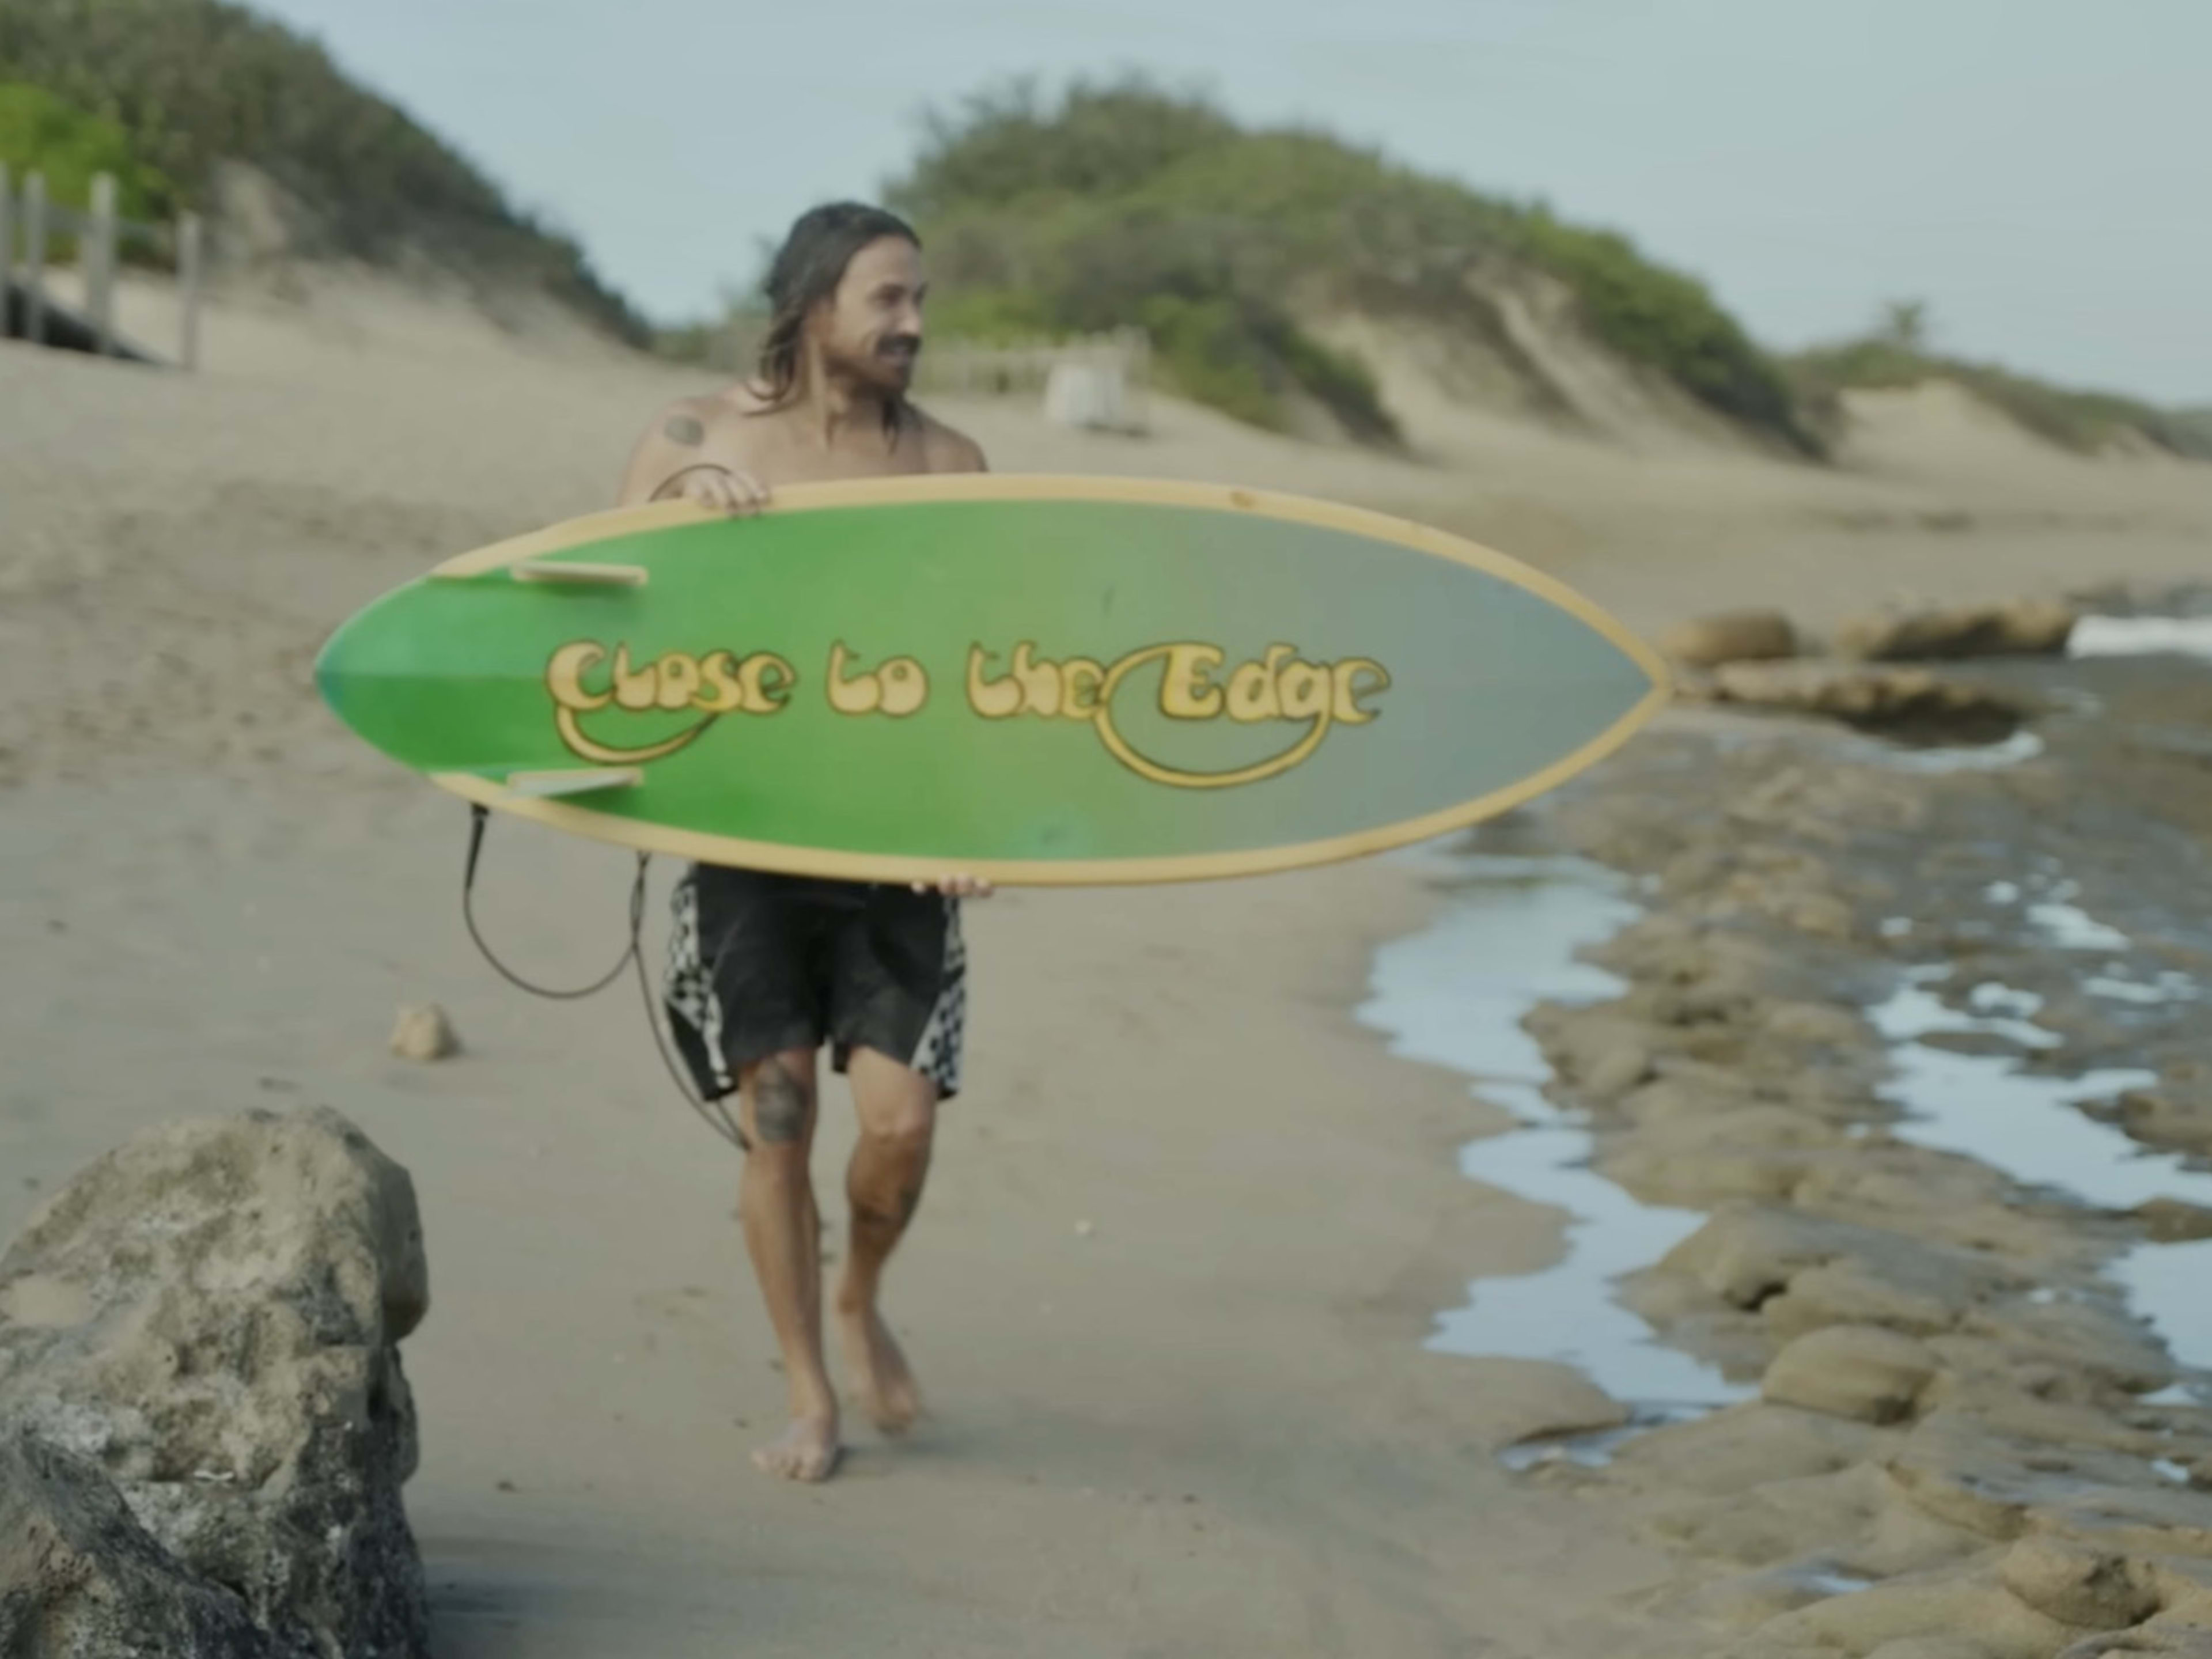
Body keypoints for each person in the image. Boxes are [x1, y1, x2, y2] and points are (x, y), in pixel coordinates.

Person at [616, 202, 992, 1483]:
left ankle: (862, 1289)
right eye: (889, 299)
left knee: (899, 1127)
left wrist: (972, 816)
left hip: (898, 837)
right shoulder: (701, 433)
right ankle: (808, 1396)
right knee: (779, 1117)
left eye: (921, 300)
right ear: (812, 304)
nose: (915, 326)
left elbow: (995, 668)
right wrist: (680, 502)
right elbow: (604, 588)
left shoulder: (949, 464)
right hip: (746, 832)